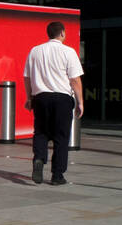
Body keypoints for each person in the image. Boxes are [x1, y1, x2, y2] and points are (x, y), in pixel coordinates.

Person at [23, 20, 83, 186]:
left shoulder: (35, 51)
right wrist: (80, 102)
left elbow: (27, 77)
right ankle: (57, 175)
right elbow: (75, 80)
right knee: (61, 137)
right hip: (62, 99)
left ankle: (39, 159)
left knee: (41, 132)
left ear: (48, 33)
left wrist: (29, 98)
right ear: (62, 33)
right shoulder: (68, 52)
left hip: (41, 98)